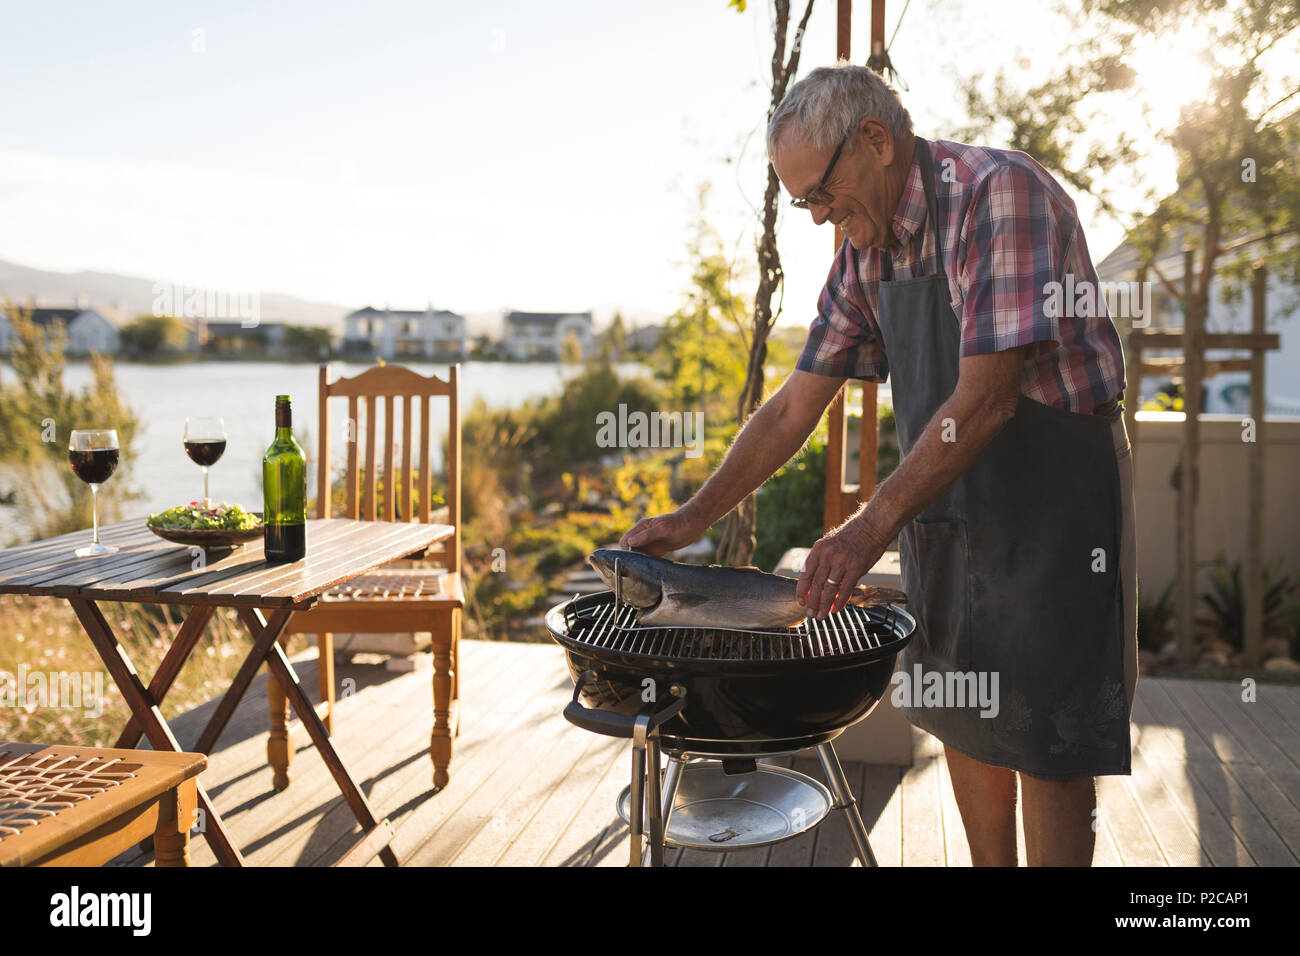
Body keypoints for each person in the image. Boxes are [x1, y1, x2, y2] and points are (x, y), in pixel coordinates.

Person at [618, 63, 1138, 867]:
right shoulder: (866, 246)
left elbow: (990, 397)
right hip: (947, 498)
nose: (822, 217)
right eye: (805, 205)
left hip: (1051, 499)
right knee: (965, 714)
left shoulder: (999, 194)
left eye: (822, 194)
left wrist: (865, 530)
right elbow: (796, 405)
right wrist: (692, 518)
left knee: (1047, 739)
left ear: (876, 140)